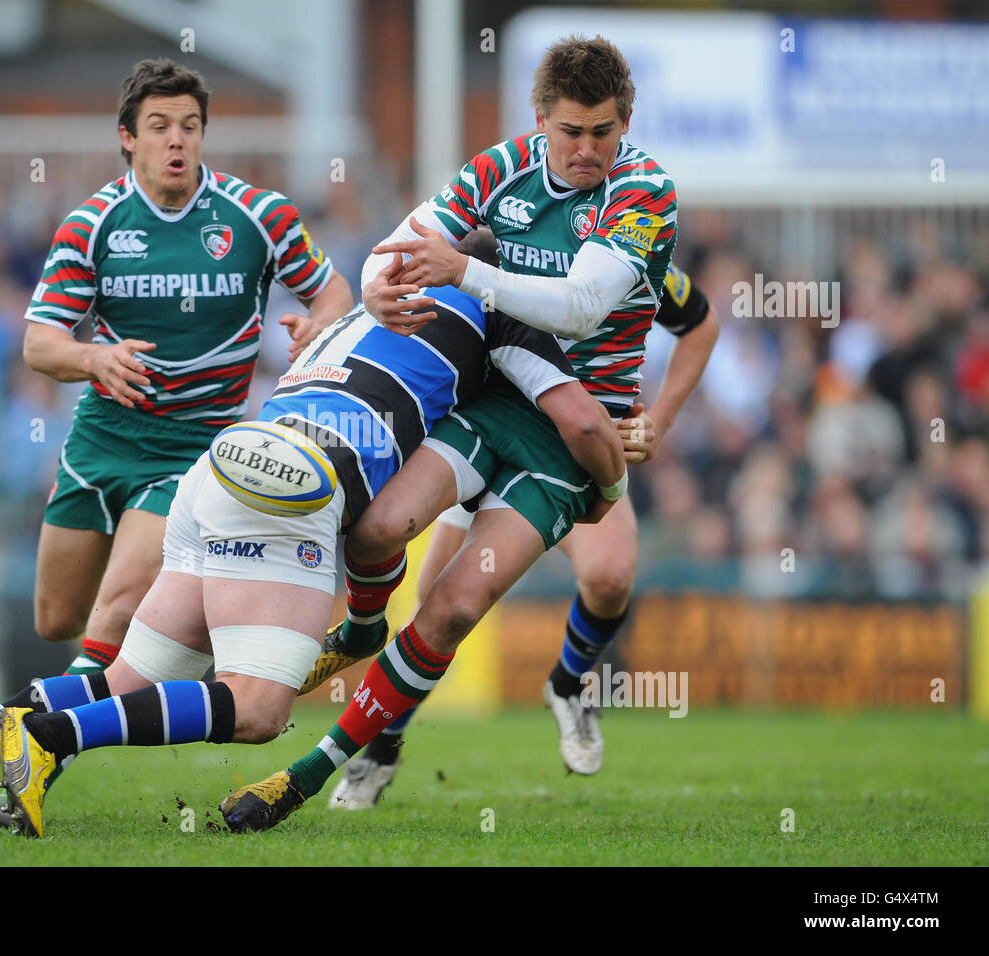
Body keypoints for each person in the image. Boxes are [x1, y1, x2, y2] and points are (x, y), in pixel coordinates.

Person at [0, 236, 625, 838]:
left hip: (220, 471)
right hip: (291, 488)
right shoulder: (499, 312)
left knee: (121, 681)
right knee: (259, 708)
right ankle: (44, 741)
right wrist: (614, 488)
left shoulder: (368, 303)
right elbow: (583, 422)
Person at [219, 33, 692, 832]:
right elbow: (396, 249)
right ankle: (366, 633)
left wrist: (462, 271)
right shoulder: (497, 169)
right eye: (570, 132)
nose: (586, 150)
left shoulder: (645, 190)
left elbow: (581, 308)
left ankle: (311, 771)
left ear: (627, 122)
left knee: (455, 606)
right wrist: (383, 291)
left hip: (573, 436)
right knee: (374, 533)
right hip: (486, 397)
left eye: (603, 132)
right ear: (540, 118)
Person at [0, 58, 352, 826]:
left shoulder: (257, 216)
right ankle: (181, 641)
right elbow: (40, 344)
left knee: (112, 618)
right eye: (159, 127)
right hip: (100, 441)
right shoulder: (95, 224)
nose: (177, 141)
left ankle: (32, 771)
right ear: (128, 139)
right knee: (58, 618)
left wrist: (321, 327)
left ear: (203, 135)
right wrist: (93, 357)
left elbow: (335, 291)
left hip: (195, 451)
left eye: (189, 126)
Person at [328, 262, 716, 809]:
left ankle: (567, 684)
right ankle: (383, 745)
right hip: (488, 425)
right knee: (437, 609)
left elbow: (700, 324)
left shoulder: (632, 243)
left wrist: (659, 422)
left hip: (573, 447)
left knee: (610, 577)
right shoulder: (508, 226)